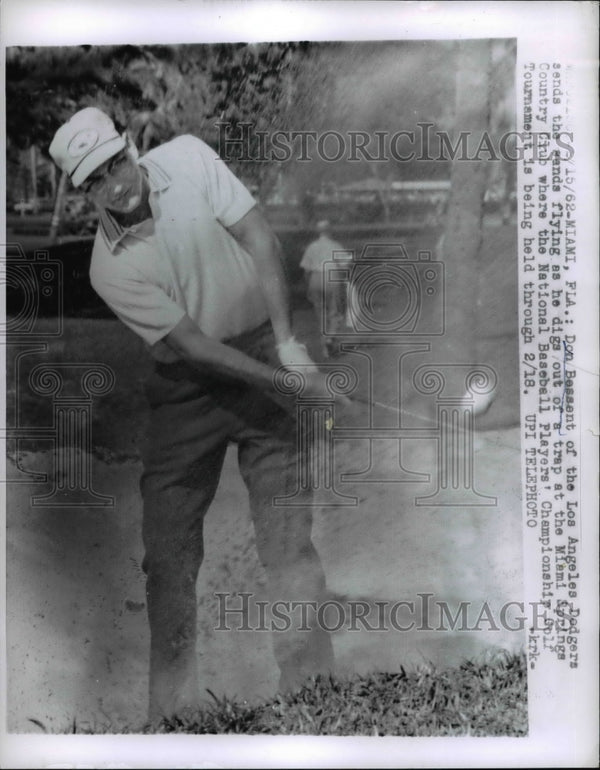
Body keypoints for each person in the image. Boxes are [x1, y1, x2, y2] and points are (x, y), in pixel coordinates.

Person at [49, 107, 347, 721]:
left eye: (115, 164)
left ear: (130, 146)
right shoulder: (108, 266)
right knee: (169, 557)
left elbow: (259, 237)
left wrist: (289, 347)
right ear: (83, 192)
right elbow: (192, 346)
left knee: (287, 540)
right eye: (95, 180)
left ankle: (313, 697)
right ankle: (172, 717)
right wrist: (287, 384)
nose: (115, 184)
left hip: (263, 345)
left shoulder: (187, 156)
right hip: (187, 392)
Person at [300, 220, 347, 357]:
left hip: (315, 278)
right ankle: (330, 338)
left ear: (318, 232)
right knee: (334, 310)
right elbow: (344, 266)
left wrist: (308, 286)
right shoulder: (335, 245)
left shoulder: (312, 247)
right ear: (330, 231)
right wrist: (343, 282)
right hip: (332, 277)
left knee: (321, 313)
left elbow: (306, 270)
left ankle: (325, 347)